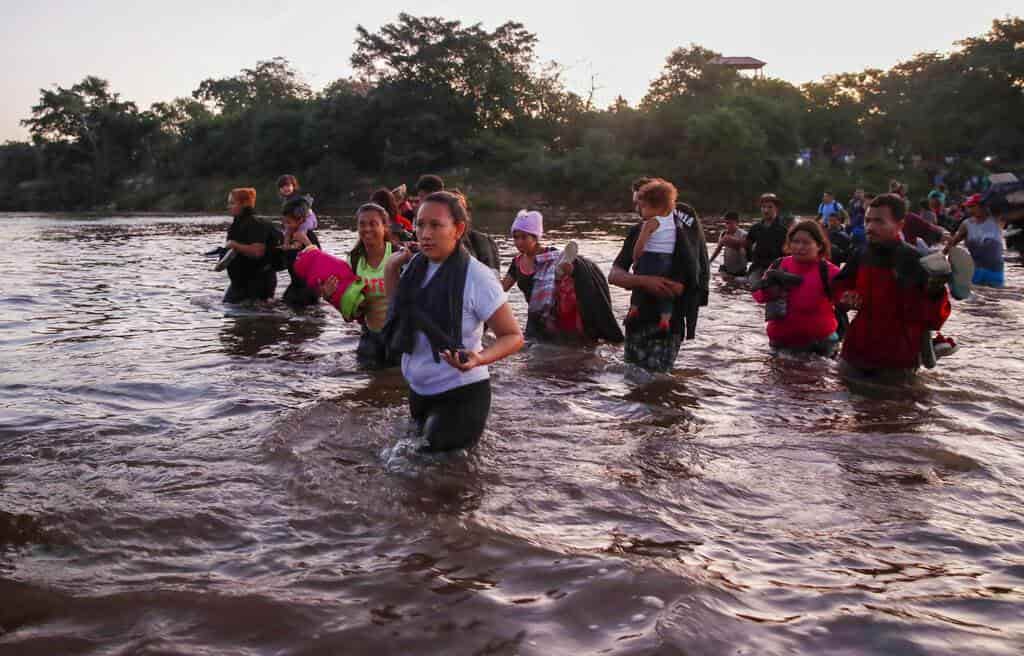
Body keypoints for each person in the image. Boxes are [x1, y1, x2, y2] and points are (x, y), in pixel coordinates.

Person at [382, 191, 524, 452]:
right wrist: (390, 268)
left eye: (436, 225)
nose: (425, 233)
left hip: (461, 394)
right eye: (420, 224)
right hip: (419, 391)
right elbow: (398, 309)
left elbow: (513, 336)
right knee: (415, 472)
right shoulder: (415, 266)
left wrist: (479, 358)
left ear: (458, 229)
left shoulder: (477, 277)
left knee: (429, 472)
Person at [831, 193, 952, 378]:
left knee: (894, 405)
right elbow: (838, 286)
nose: (870, 227)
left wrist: (935, 291)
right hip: (855, 353)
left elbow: (934, 319)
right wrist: (845, 296)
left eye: (879, 221)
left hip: (896, 361)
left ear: (900, 225)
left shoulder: (915, 260)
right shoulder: (861, 253)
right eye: (867, 221)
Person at [608, 178, 709, 372]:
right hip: (637, 321)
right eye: (637, 204)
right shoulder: (638, 231)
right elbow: (614, 275)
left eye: (641, 204)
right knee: (632, 382)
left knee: (657, 382)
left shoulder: (683, 235)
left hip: (668, 326)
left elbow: (690, 279)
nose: (638, 210)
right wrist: (644, 281)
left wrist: (683, 288)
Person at [502, 210, 622, 343]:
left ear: (535, 237)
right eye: (516, 237)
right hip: (536, 317)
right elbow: (502, 289)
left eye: (524, 237)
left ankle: (556, 274)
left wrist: (570, 271)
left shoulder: (553, 255)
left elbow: (577, 283)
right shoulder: (517, 262)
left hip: (558, 317)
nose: (519, 242)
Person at [329, 202, 400, 368]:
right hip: (370, 335)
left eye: (373, 224)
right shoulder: (353, 260)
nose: (367, 229)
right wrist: (331, 296)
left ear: (385, 227)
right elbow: (349, 309)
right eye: (362, 224)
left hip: (398, 335)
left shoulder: (399, 255)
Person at [752, 221, 841, 355]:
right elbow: (758, 297)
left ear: (819, 246)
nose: (799, 247)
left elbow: (846, 300)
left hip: (819, 347)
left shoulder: (830, 271)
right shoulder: (779, 265)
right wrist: (770, 289)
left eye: (806, 243)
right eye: (795, 241)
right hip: (780, 344)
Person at [411, 175, 501, 271]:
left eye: (435, 225)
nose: (426, 235)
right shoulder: (416, 258)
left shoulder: (482, 243)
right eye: (420, 225)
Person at [627, 179, 680, 334]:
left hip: (650, 259)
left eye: (643, 207)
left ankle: (634, 308)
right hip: (668, 262)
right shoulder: (674, 223)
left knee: (640, 286)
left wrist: (636, 260)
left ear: (655, 207)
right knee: (665, 293)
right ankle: (665, 319)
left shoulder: (651, 222)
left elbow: (640, 245)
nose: (640, 210)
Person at [222, 188, 279, 303]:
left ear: (245, 204)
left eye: (232, 203)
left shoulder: (256, 224)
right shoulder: (238, 223)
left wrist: (234, 245)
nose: (228, 206)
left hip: (258, 281)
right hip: (241, 282)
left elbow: (258, 252)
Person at [945, 194, 1005, 287]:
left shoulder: (997, 220)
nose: (970, 210)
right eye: (968, 207)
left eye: (973, 206)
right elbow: (952, 243)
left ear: (983, 206)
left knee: (995, 297)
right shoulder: (966, 224)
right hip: (975, 270)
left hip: (995, 271)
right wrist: (940, 257)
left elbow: (1013, 210)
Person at [280, 196, 323, 307]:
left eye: (288, 222)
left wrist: (305, 241)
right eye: (284, 222)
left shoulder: (308, 236)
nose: (286, 226)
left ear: (301, 220)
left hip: (308, 290)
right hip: (294, 286)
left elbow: (320, 260)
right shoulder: (289, 235)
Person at [744, 193, 789, 286]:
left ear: (776, 208)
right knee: (755, 287)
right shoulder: (755, 228)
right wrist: (750, 258)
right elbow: (747, 244)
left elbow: (788, 252)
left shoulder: (784, 229)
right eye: (763, 207)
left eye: (770, 207)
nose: (766, 210)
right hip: (758, 267)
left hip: (777, 268)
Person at [277, 175, 317, 243]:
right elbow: (286, 216)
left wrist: (297, 214)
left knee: (299, 234)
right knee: (286, 233)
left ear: (293, 186)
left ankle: (310, 247)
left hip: (307, 220)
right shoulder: (286, 201)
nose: (285, 188)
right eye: (282, 187)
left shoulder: (299, 198)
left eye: (288, 186)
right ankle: (286, 246)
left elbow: (306, 204)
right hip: (296, 221)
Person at [709, 211, 748, 276]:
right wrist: (709, 262)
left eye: (730, 223)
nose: (728, 226)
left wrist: (733, 241)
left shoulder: (743, 235)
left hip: (740, 270)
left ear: (737, 222)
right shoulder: (723, 234)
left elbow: (746, 253)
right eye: (726, 223)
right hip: (726, 268)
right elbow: (717, 250)